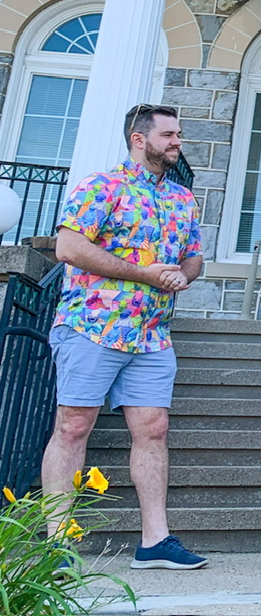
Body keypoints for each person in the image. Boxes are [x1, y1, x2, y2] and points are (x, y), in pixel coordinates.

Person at [41, 104, 207, 570]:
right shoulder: (102, 186)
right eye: (169, 134)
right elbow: (69, 247)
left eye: (178, 134)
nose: (178, 141)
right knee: (73, 426)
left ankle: (155, 542)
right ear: (140, 138)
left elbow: (194, 256)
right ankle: (56, 544)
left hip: (153, 335)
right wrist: (145, 274)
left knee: (154, 430)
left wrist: (182, 276)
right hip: (93, 326)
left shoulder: (182, 199)